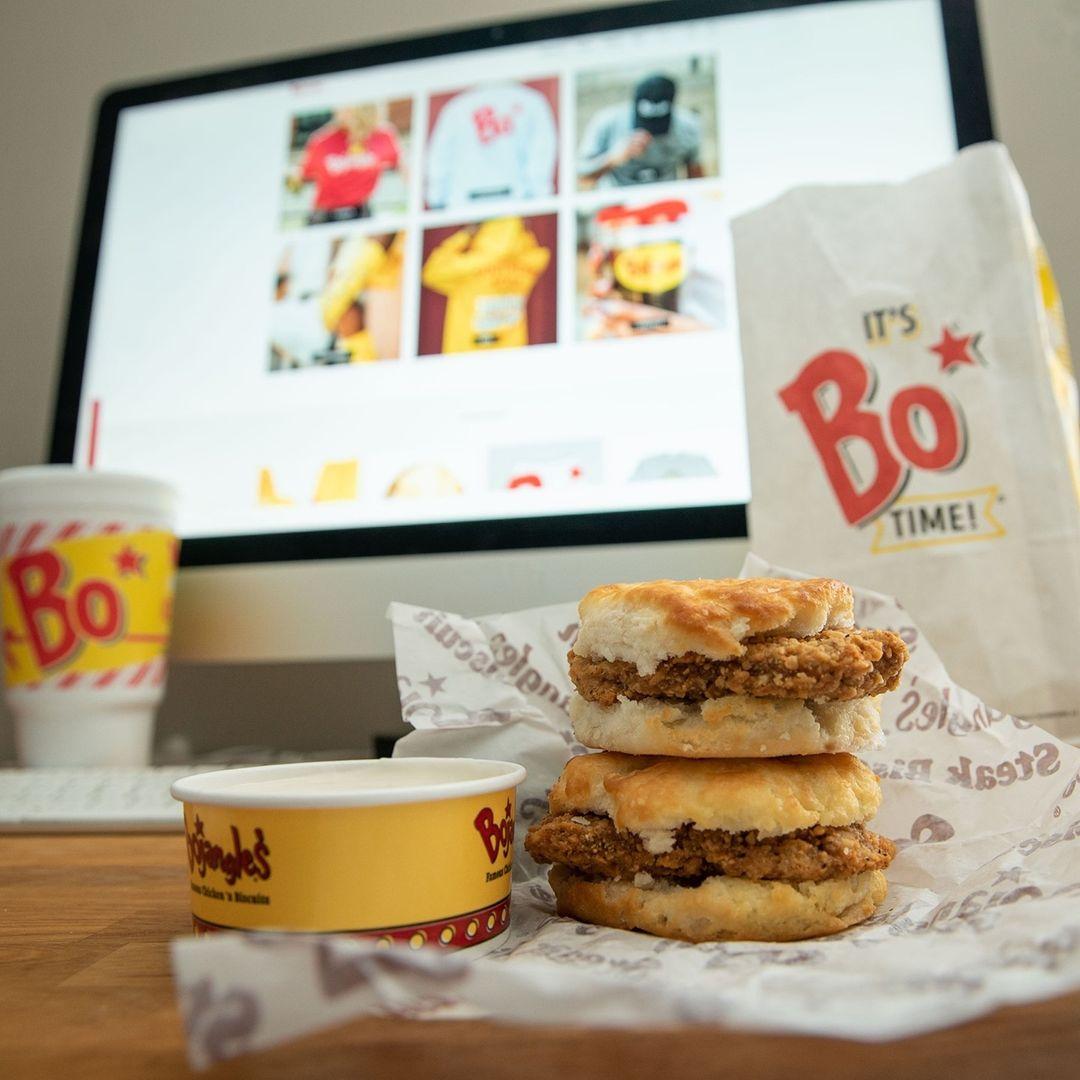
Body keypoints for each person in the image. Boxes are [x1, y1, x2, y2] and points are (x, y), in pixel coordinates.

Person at [426, 81, 557, 209]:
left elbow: (440, 159)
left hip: (466, 203)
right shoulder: (532, 101)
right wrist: (539, 194)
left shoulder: (455, 108)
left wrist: (437, 198)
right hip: (515, 199)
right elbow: (542, 152)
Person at [577, 74, 703, 189]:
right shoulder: (607, 122)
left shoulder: (688, 126)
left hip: (665, 203)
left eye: (657, 124)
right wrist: (613, 158)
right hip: (617, 204)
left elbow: (696, 177)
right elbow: (583, 179)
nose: (650, 136)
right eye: (647, 123)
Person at [291, 104, 403, 225]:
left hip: (361, 211)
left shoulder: (382, 136)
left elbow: (402, 164)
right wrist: (294, 180)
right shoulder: (322, 141)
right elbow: (301, 176)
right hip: (326, 214)